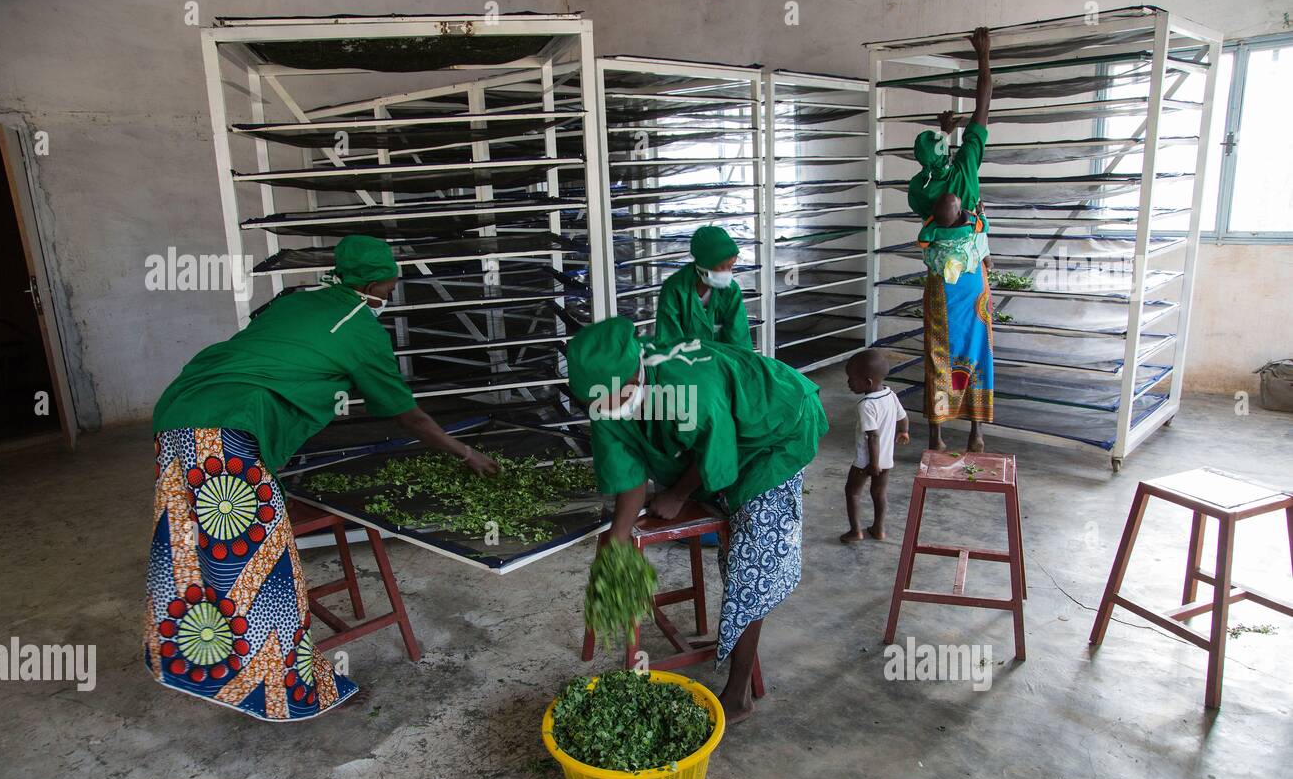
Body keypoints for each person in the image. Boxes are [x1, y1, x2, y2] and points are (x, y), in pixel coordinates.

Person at [145, 234, 499, 722]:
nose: (393, 290)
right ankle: (281, 691)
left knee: (189, 549)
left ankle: (192, 662)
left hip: (180, 414)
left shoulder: (300, 300)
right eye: (392, 281)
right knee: (262, 569)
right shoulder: (361, 328)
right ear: (377, 281)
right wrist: (465, 452)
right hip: (227, 432)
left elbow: (278, 359)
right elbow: (407, 415)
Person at [567, 317, 826, 724]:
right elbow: (628, 475)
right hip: (722, 437)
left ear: (636, 370)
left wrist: (678, 493)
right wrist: (617, 542)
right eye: (600, 403)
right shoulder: (606, 401)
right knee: (722, 523)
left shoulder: (688, 384)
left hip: (774, 429)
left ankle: (738, 695)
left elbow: (716, 449)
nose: (609, 409)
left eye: (617, 398)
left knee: (752, 557)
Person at [906, 26, 994, 452]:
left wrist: (941, 135)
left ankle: (937, 436)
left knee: (938, 351)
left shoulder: (920, 189)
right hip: (973, 279)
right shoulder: (967, 173)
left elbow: (930, 209)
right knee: (977, 347)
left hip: (940, 284)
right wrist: (983, 55)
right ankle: (977, 433)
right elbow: (984, 99)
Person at [840, 349, 909, 543]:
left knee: (852, 492)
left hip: (866, 461)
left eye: (852, 379)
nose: (848, 383)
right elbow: (903, 417)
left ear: (868, 382)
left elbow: (873, 437)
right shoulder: (890, 394)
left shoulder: (866, 405)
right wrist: (904, 431)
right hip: (887, 459)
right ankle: (878, 529)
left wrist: (873, 464)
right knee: (879, 494)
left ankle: (856, 531)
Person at [653, 224, 753, 349]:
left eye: (731, 266)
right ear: (705, 264)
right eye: (722, 267)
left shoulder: (730, 290)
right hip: (687, 361)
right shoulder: (674, 289)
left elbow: (739, 338)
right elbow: (669, 340)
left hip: (723, 360)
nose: (728, 272)